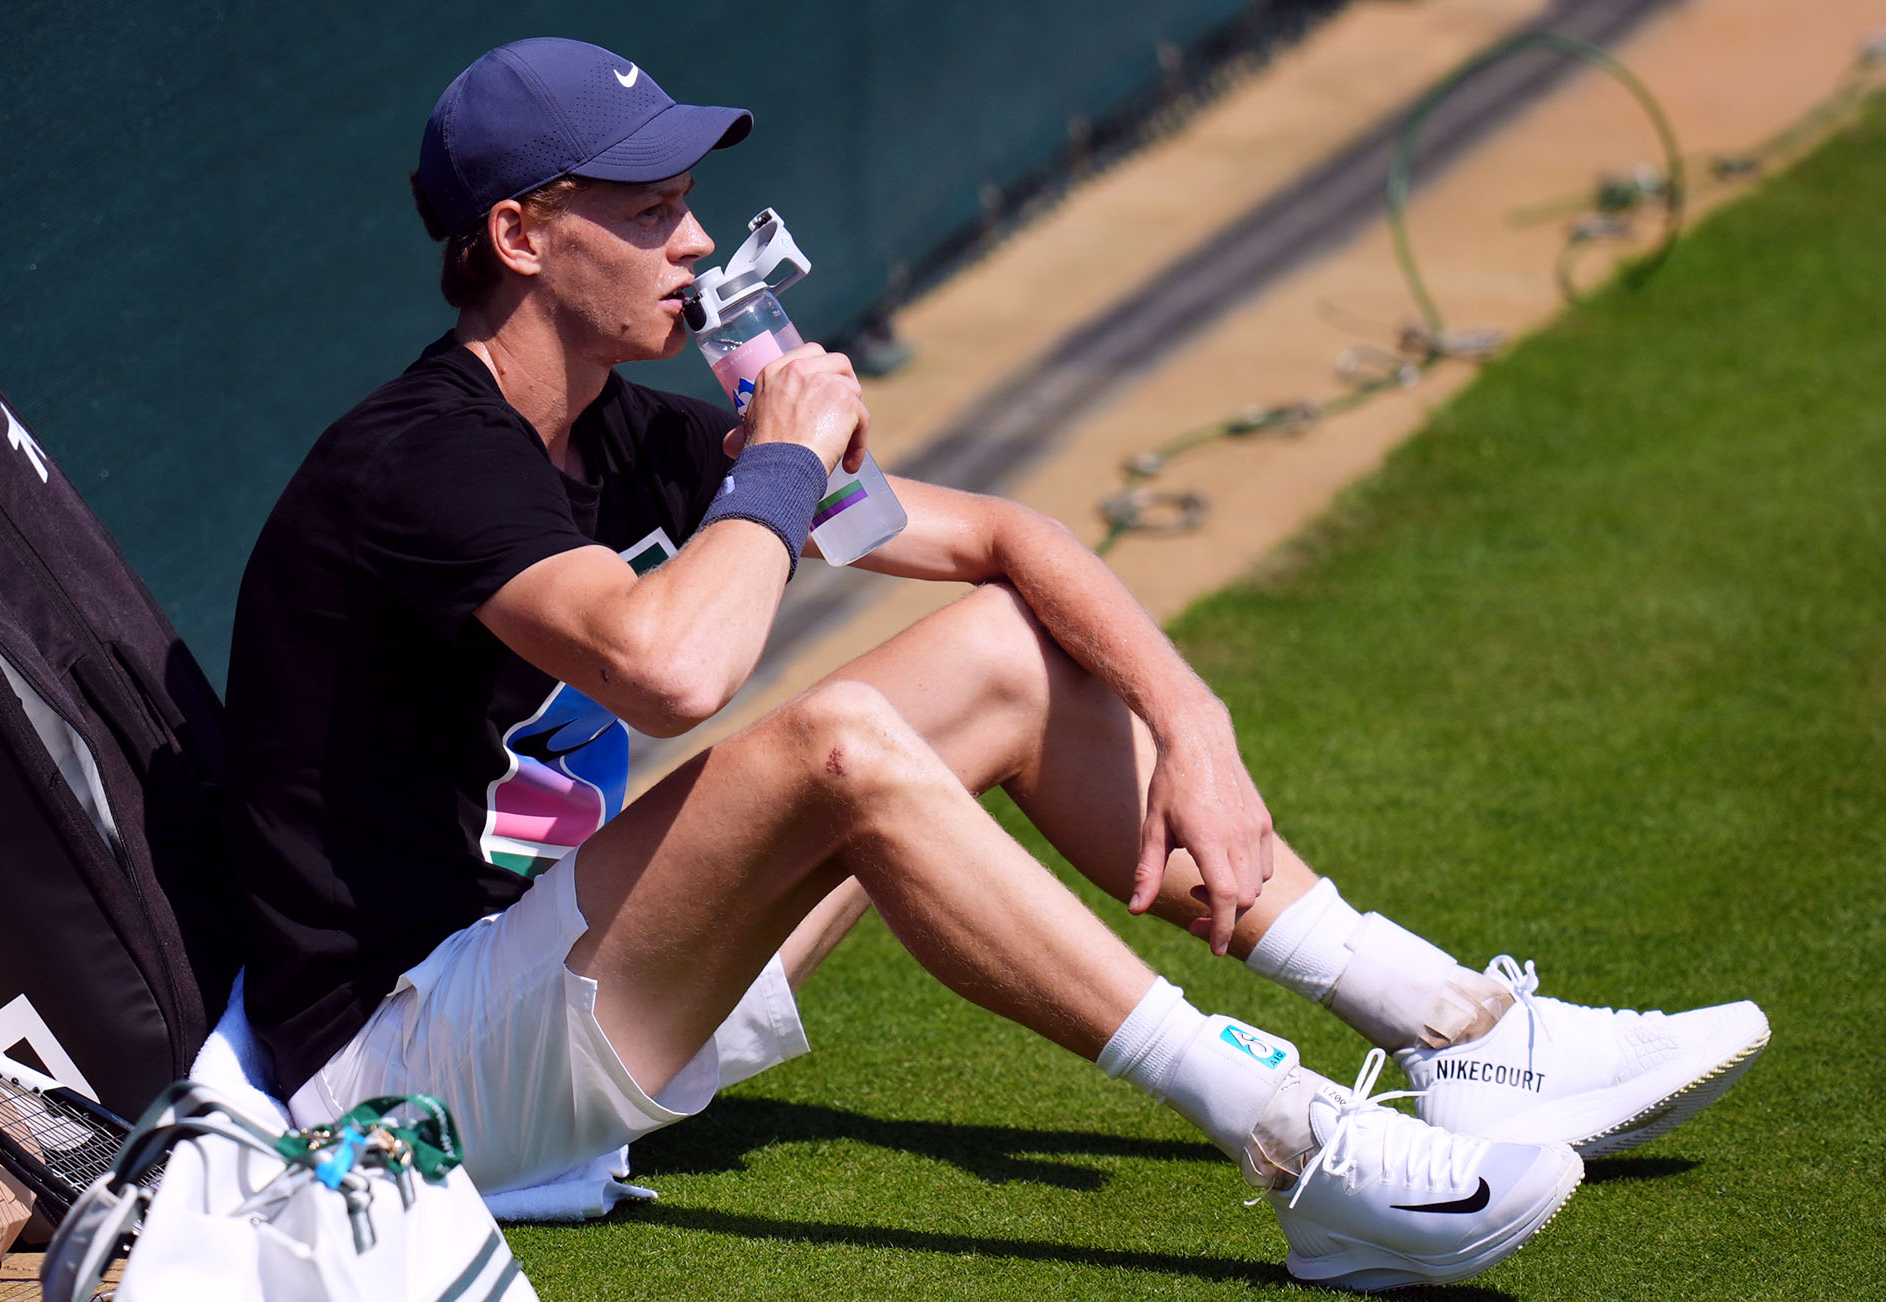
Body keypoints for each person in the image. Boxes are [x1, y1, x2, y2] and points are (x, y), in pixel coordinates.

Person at [226, 37, 1768, 1290]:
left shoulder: (619, 430)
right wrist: (780, 467)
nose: (694, 240)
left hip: (552, 986)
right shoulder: (421, 459)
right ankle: (1295, 1139)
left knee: (1004, 657)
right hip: (399, 1083)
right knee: (836, 743)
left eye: (689, 201)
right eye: (648, 210)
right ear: (517, 236)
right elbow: (673, 672)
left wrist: (1197, 721)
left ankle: (1452, 1026)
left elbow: (1005, 539)